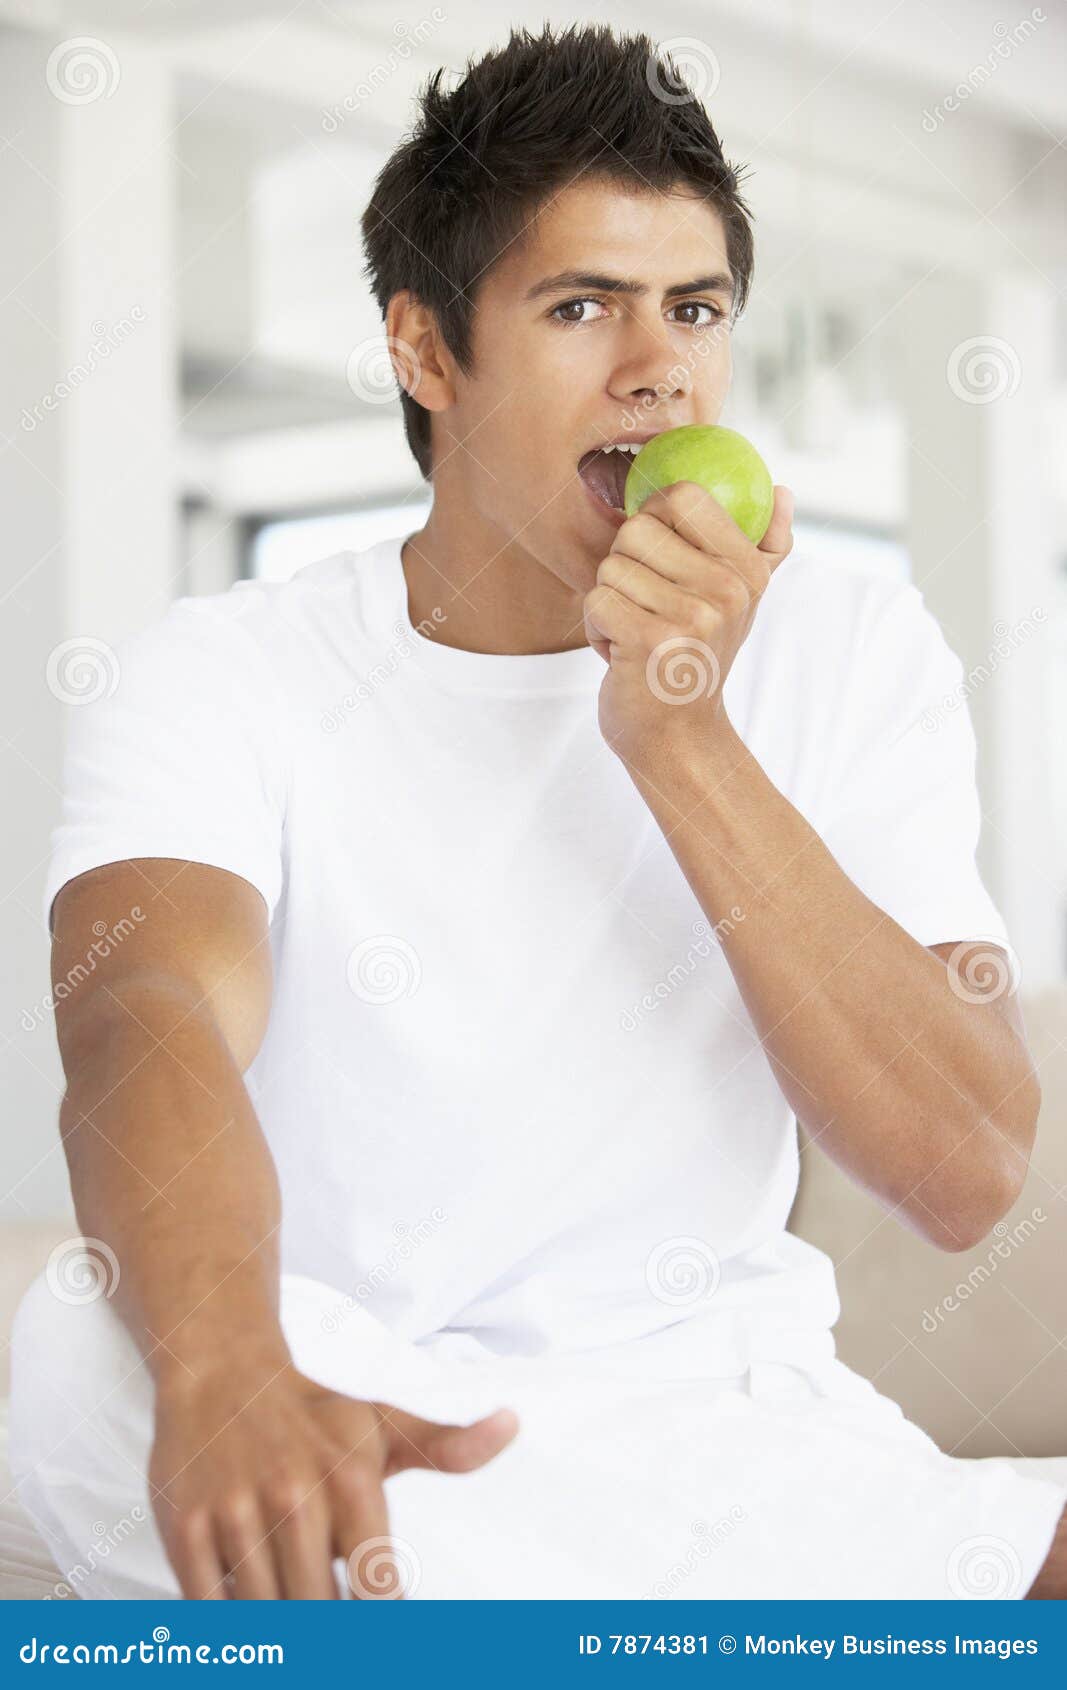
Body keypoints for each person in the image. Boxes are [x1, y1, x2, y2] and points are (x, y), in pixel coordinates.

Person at [10, 23, 1066, 1601]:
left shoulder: (853, 651)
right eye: (583, 306)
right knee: (80, 1352)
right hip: (359, 1391)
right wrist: (227, 1364)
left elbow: (968, 1165)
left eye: (695, 308)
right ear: (427, 352)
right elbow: (141, 1013)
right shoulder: (228, 669)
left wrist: (683, 739)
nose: (662, 365)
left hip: (729, 1427)